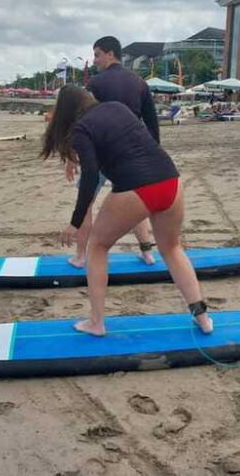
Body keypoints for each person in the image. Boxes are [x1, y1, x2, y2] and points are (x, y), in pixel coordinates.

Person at [43, 85, 213, 336]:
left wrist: (75, 222)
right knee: (172, 248)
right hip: (170, 180)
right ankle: (203, 318)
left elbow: (90, 176)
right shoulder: (118, 107)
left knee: (97, 246)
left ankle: (96, 323)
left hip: (137, 189)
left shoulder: (81, 129)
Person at [65, 36, 159, 268]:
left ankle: (81, 256)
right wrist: (151, 155)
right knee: (136, 204)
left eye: (97, 55)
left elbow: (81, 119)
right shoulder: (140, 83)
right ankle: (147, 253)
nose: (95, 60)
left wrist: (72, 154)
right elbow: (152, 124)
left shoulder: (96, 83)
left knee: (87, 202)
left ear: (110, 53)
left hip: (100, 153)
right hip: (132, 155)